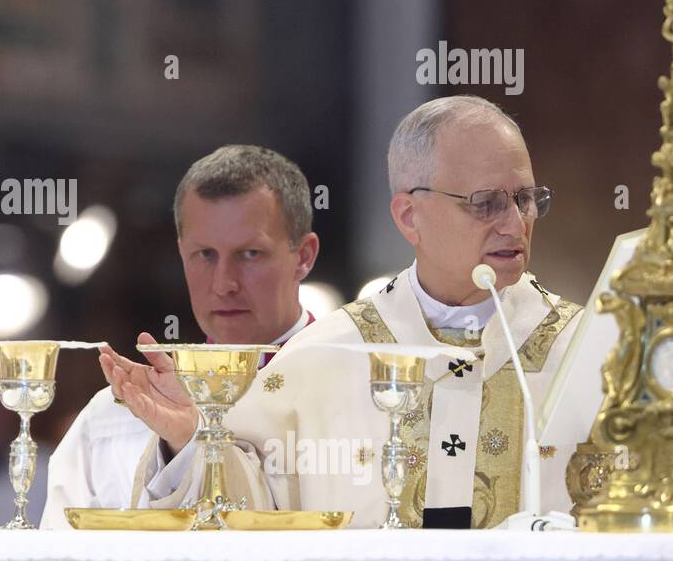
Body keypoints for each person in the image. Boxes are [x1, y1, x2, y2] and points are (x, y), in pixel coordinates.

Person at [115, 95, 586, 529]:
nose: (514, 223)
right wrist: (189, 442)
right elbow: (251, 523)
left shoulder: (589, 352)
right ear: (408, 217)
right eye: (487, 204)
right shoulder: (324, 358)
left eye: (526, 199)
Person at [40, 145, 319, 528]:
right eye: (204, 255)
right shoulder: (114, 417)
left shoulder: (363, 396)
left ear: (304, 255)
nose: (224, 284)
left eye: (250, 254)